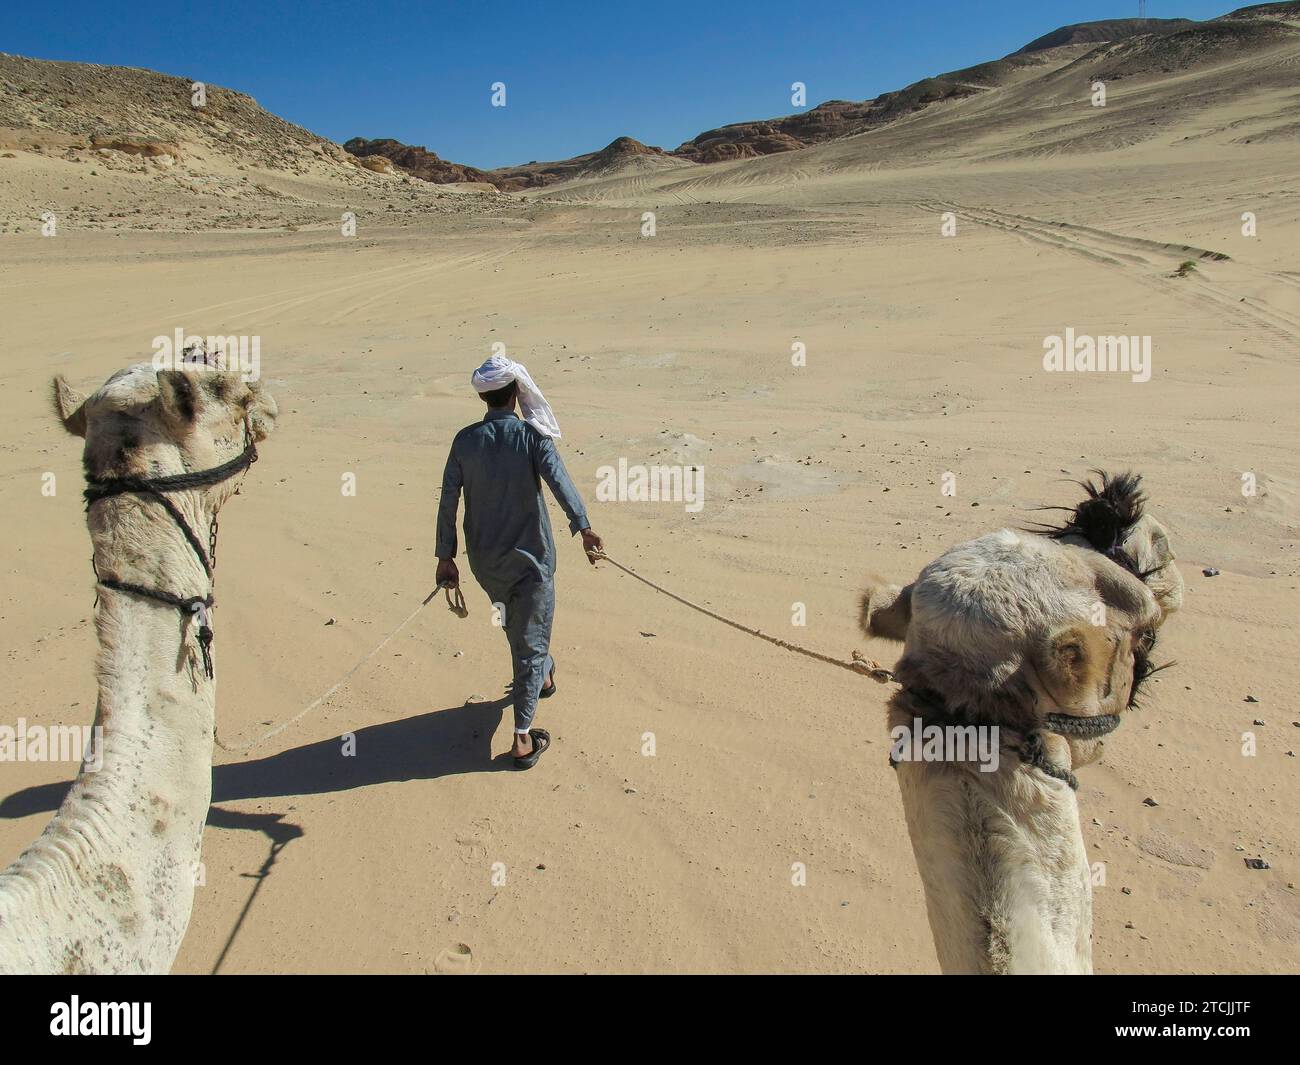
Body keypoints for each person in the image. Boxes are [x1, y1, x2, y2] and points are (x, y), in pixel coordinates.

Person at [435, 354, 603, 769]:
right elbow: (559, 482)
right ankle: (523, 740)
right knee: (527, 641)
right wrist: (584, 528)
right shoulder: (531, 437)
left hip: (485, 561)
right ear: (515, 394)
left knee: (520, 626)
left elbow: (448, 500)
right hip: (532, 560)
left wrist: (446, 556)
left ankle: (544, 675)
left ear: (486, 397)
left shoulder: (464, 440)